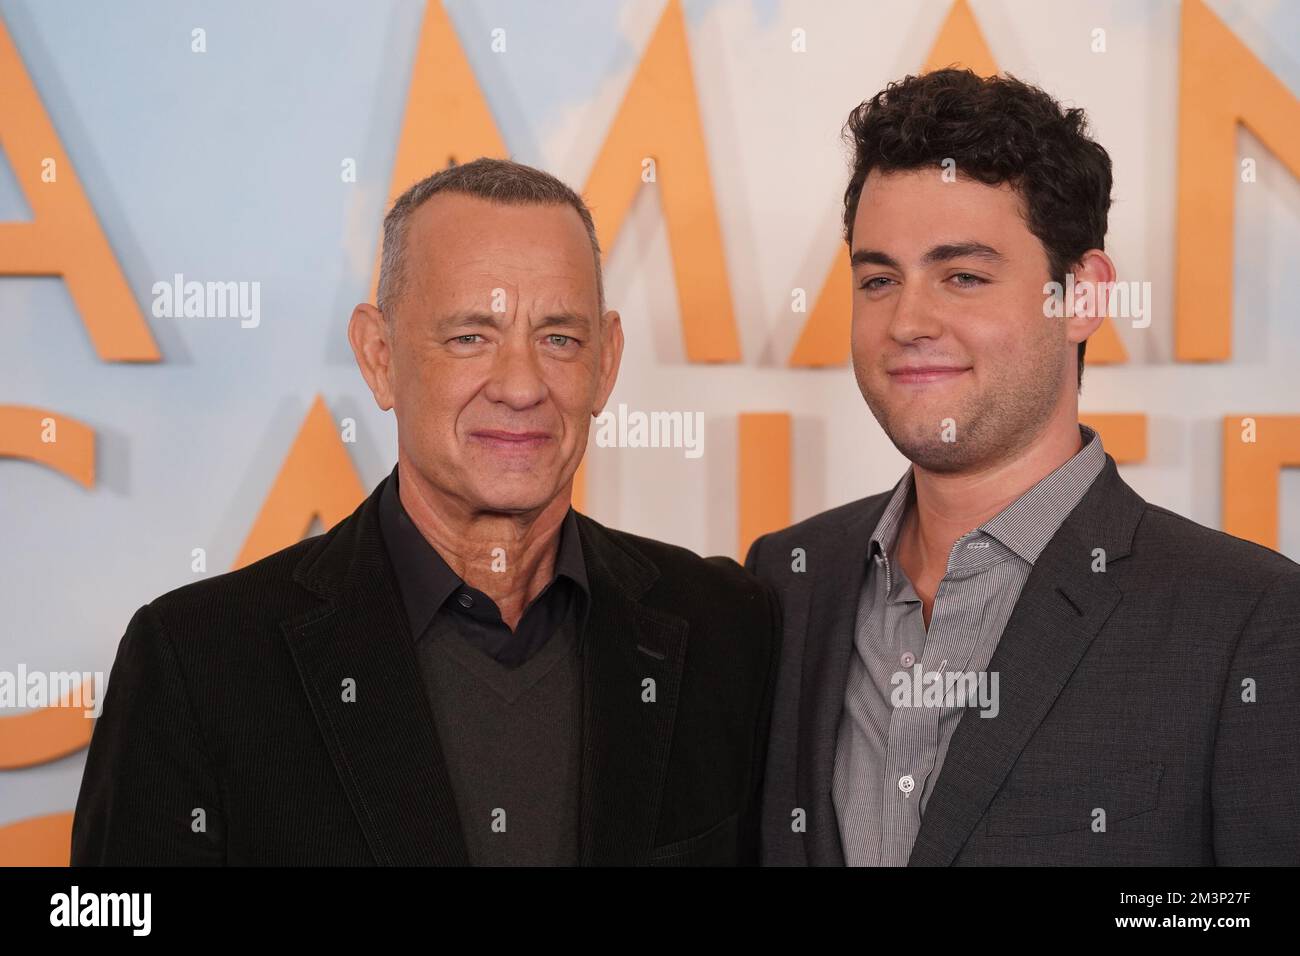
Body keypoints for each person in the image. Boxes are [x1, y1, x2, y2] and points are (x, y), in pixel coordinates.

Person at [72, 157, 779, 866]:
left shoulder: (725, 629)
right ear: (380, 357)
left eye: (559, 338)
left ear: (608, 362)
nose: (521, 385)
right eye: (470, 336)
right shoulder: (200, 663)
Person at [748, 69, 1300, 866]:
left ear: (1081, 295)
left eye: (963, 276)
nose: (908, 321)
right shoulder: (787, 582)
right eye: (878, 280)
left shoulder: (1249, 624)